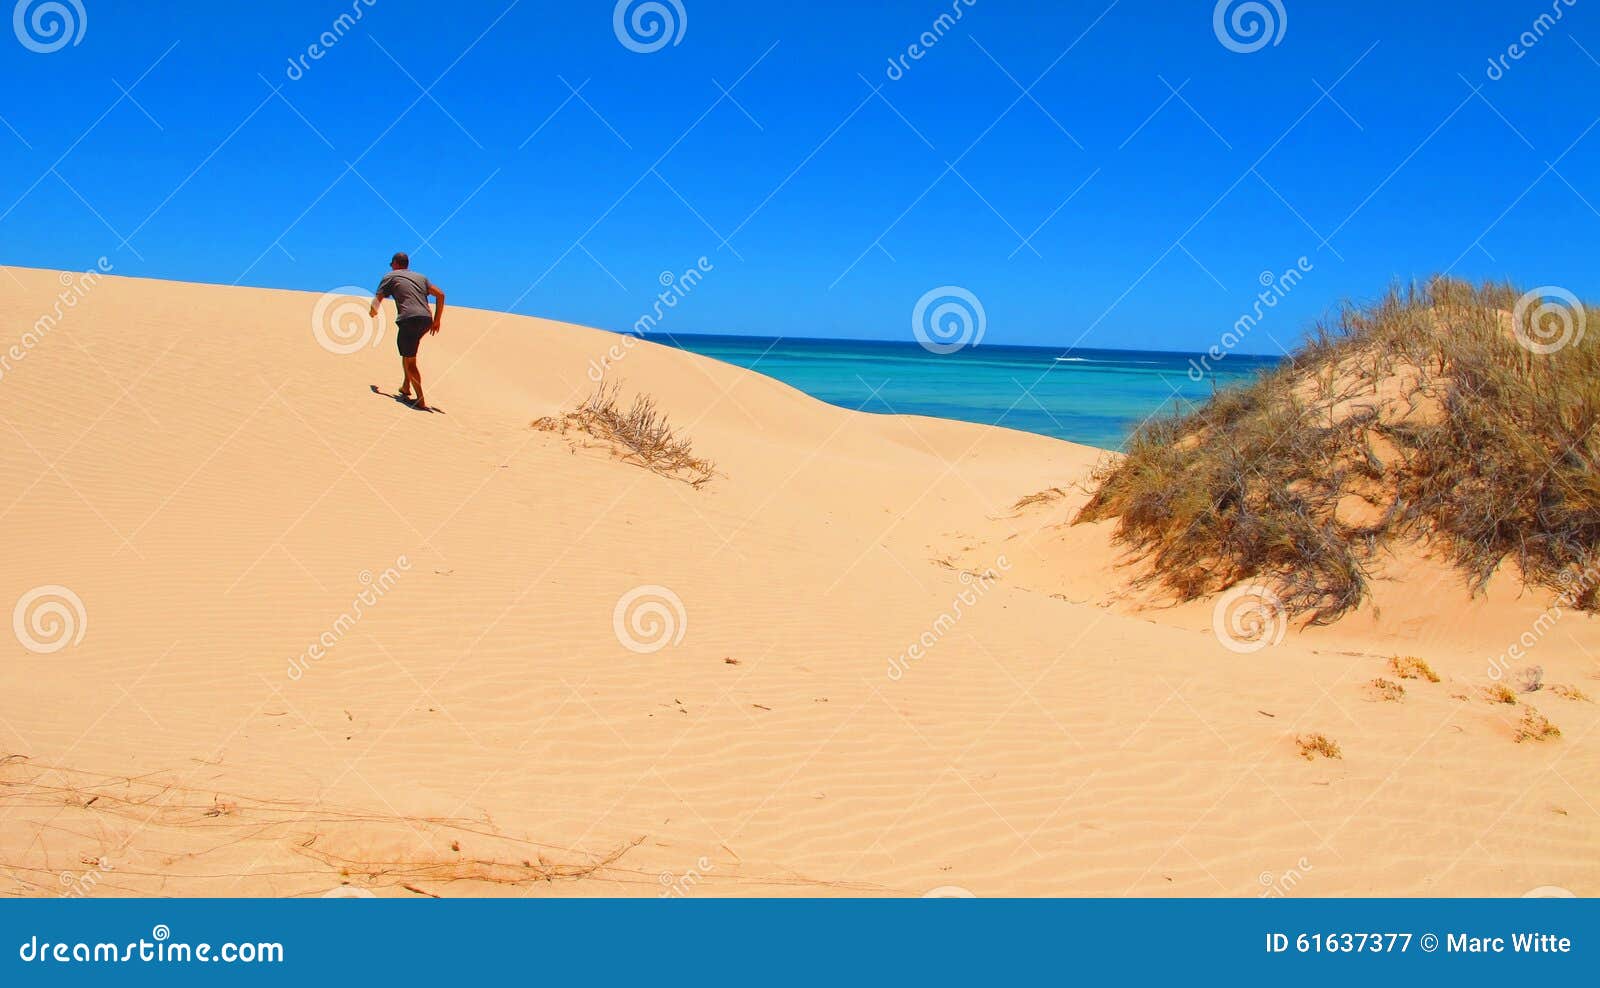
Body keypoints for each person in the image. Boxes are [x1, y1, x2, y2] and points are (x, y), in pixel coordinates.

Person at [370, 252, 445, 411]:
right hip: (425, 319)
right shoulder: (420, 277)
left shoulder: (390, 276)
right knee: (408, 353)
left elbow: (379, 297)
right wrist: (437, 320)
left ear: (396, 263)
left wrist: (372, 311)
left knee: (410, 361)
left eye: (391, 264)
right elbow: (440, 295)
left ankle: (421, 400)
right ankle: (406, 387)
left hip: (408, 320)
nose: (391, 267)